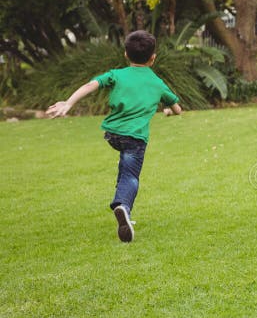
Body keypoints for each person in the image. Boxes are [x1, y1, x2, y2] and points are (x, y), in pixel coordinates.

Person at [46, 30, 182, 242]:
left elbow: (92, 85)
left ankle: (123, 207)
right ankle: (123, 206)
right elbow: (178, 108)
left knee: (124, 168)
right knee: (131, 176)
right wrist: (168, 110)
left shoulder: (116, 74)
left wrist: (68, 103)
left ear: (125, 54)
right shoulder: (158, 83)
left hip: (113, 135)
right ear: (153, 58)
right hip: (135, 138)